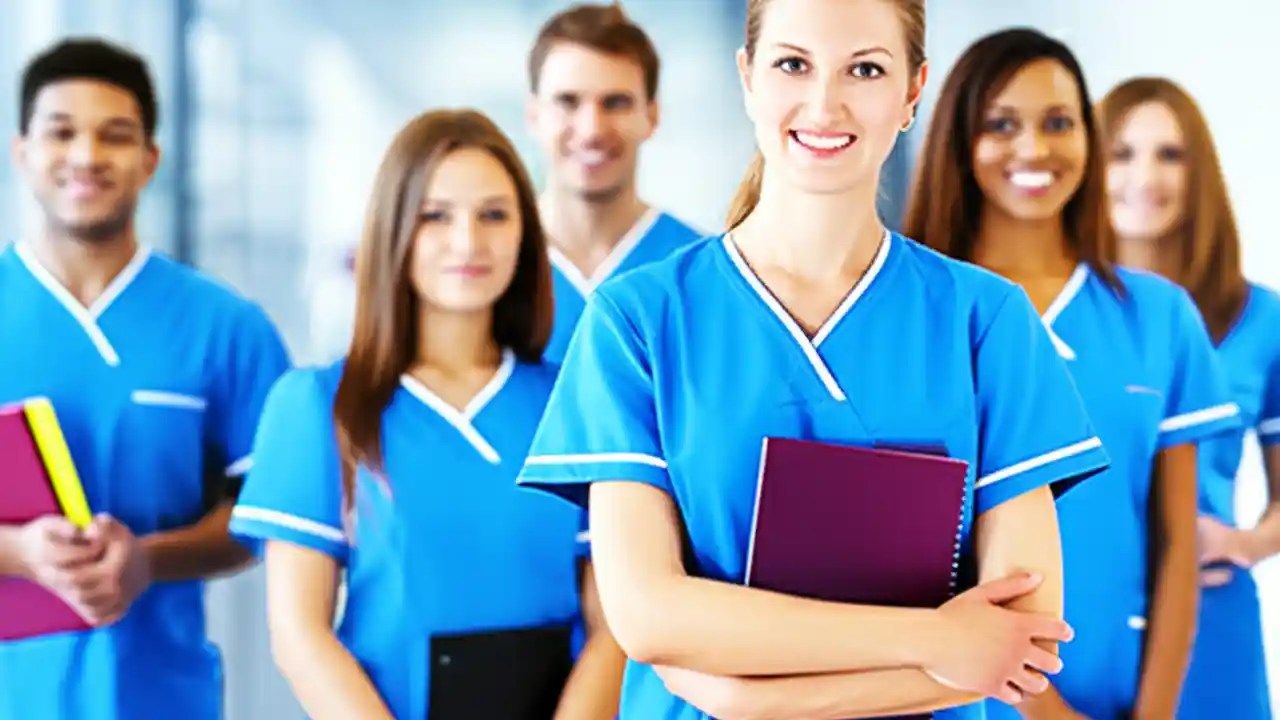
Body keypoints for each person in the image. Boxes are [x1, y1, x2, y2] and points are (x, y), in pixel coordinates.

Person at [516, 1, 1113, 718]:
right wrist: (936, 639)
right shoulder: (638, 320)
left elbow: (1025, 633)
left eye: (865, 69)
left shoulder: (986, 320)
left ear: (913, 93)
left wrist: (747, 696)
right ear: (748, 79)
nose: (825, 104)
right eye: (793, 64)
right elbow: (647, 615)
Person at [228, 108, 622, 719]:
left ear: (525, 233)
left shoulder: (575, 408)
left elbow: (613, 627)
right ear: (393, 230)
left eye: (494, 214)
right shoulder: (316, 407)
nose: (468, 241)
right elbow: (300, 635)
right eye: (435, 216)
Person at [904, 29, 1241, 720]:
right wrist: (1047, 713)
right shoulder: (916, 312)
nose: (1034, 149)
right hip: (958, 701)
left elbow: (1176, 543)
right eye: (1002, 124)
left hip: (1124, 694)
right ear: (957, 141)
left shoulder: (1159, 316)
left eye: (1058, 122)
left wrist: (1153, 713)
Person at [0, 39, 290, 720]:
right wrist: (16, 551)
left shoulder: (226, 327)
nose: (86, 156)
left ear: (151, 159)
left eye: (116, 135)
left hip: (161, 695)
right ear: (22, 151)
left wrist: (150, 560)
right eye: (61, 131)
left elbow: (273, 510)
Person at [1100, 76, 1279, 720]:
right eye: (1121, 153)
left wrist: (1250, 543)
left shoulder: (1261, 319)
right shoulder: (1044, 314)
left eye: (1169, 155)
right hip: (1085, 614)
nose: (1143, 176)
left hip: (1211, 620)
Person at [526, 2, 704, 363]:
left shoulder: (698, 270)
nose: (592, 129)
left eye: (616, 103)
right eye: (567, 101)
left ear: (651, 116)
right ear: (534, 115)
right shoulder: (494, 262)